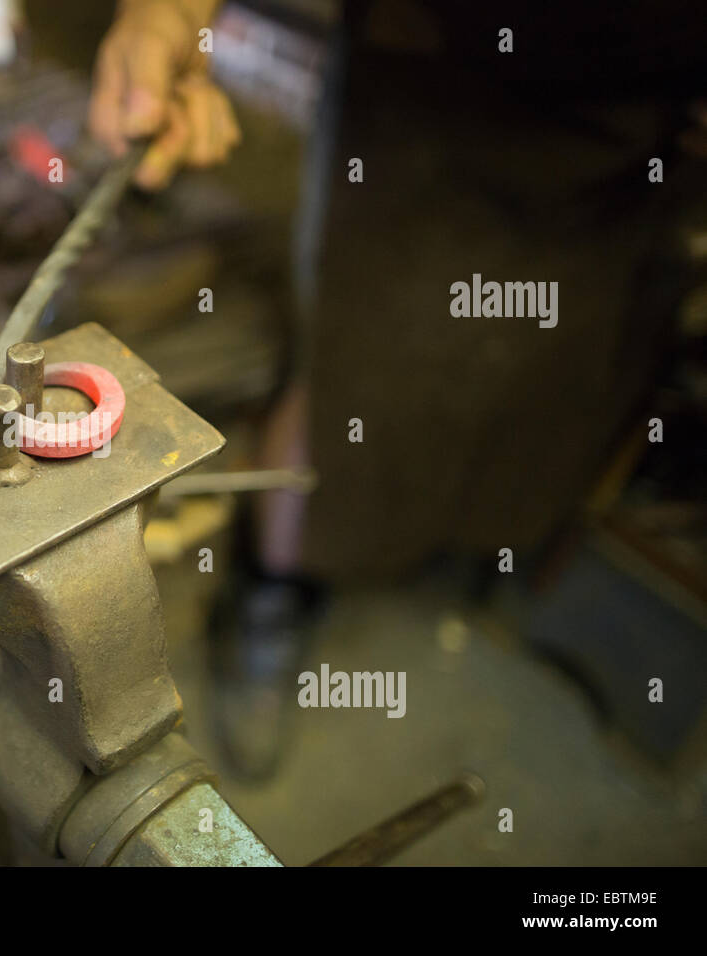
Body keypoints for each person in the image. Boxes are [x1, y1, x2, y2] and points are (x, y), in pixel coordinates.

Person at [88, 0, 707, 777]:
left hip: (636, 119)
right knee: (358, 373)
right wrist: (169, 11)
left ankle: (450, 536)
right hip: (429, 81)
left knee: (544, 369)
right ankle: (269, 592)